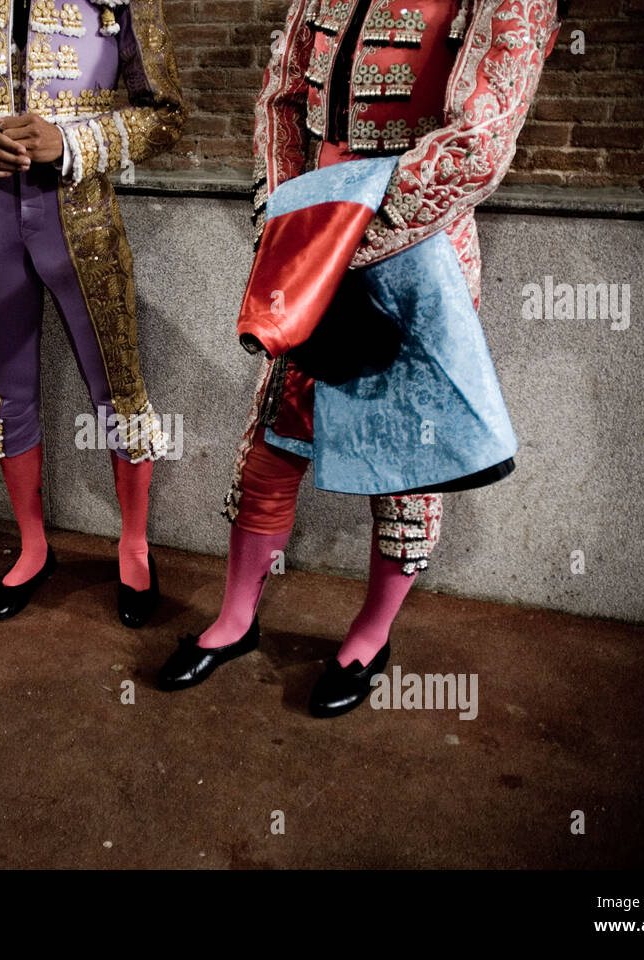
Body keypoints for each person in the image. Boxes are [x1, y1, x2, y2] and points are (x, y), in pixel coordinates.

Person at [157, 0, 563, 716]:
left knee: (409, 466)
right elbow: (283, 102)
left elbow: (479, 142)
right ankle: (236, 619)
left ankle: (370, 638)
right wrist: (287, 222)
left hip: (417, 254)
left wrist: (338, 241)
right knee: (269, 448)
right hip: (310, 245)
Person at [0, 0, 186, 625]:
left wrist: (72, 141)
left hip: (81, 215)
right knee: (6, 390)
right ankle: (32, 546)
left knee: (118, 386)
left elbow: (166, 112)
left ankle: (134, 545)